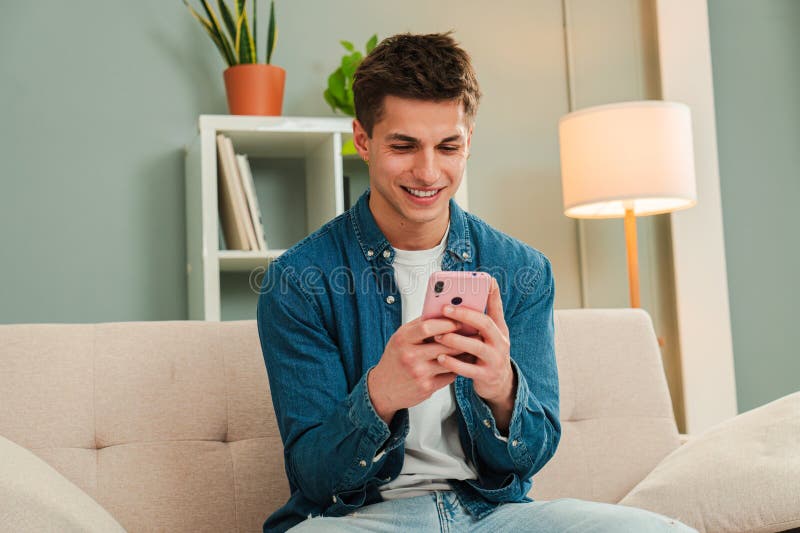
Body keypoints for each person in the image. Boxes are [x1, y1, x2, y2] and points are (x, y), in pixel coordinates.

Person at [256, 32, 696, 533]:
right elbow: (314, 477)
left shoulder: (522, 271)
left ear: (469, 142)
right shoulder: (298, 281)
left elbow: (529, 458)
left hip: (492, 515)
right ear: (363, 140)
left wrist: (502, 390)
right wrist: (380, 395)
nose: (428, 171)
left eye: (448, 146)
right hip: (362, 519)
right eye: (403, 146)